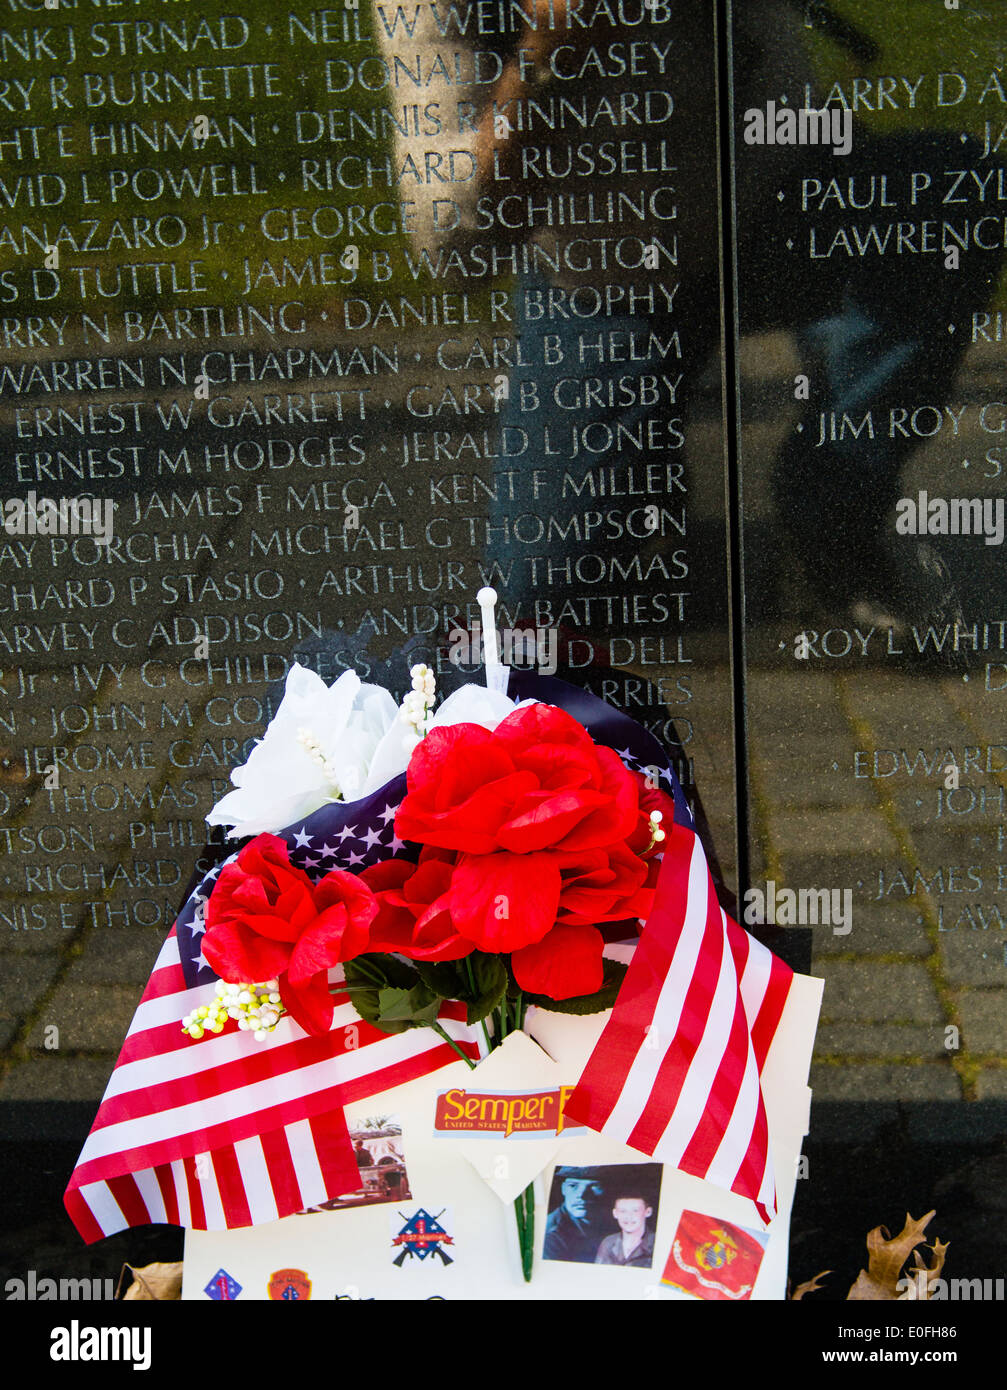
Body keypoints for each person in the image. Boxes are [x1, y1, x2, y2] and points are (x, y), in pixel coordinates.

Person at [543, 1170, 607, 1263]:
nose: (581, 1195)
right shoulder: (551, 1236)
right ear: (563, 1189)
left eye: (594, 1186)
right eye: (573, 1185)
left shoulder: (613, 1220)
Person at [595, 1195, 656, 1268]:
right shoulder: (608, 1242)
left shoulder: (657, 1244)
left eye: (635, 1210)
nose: (629, 1217)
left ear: (648, 1212)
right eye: (623, 1211)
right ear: (615, 1213)